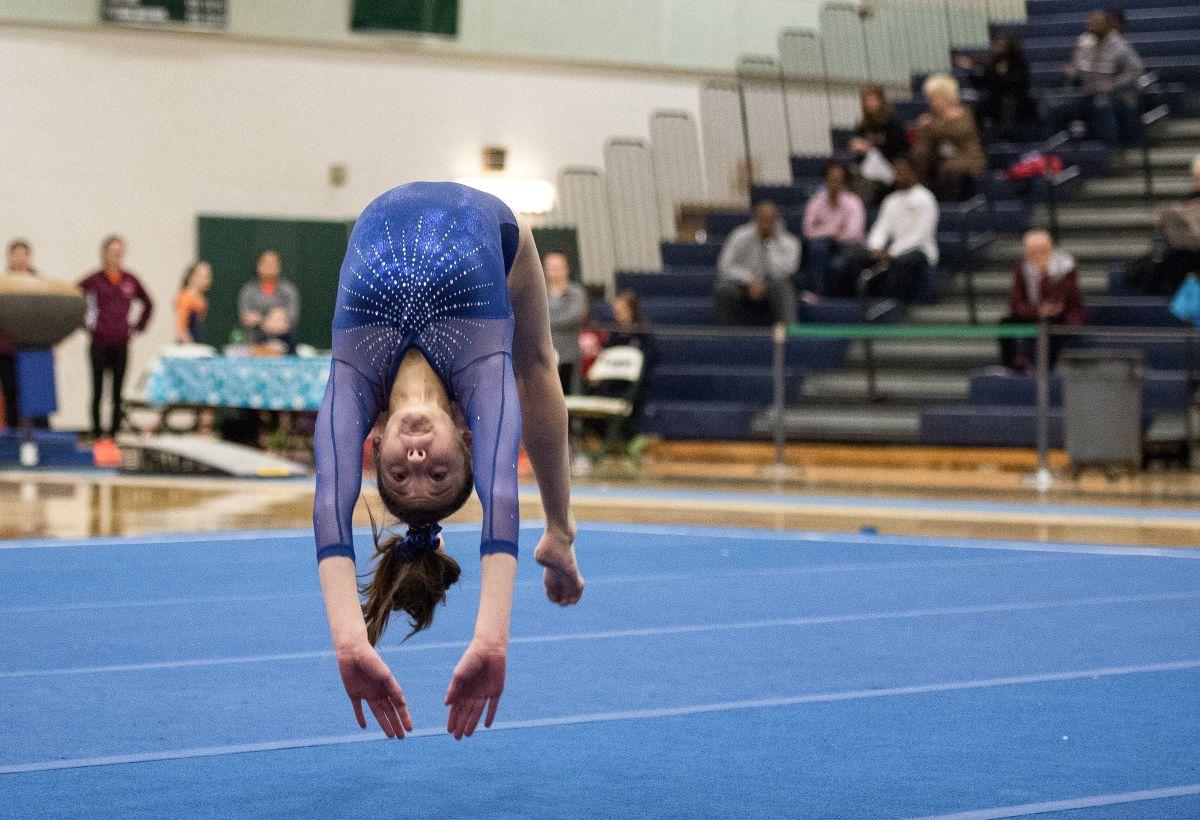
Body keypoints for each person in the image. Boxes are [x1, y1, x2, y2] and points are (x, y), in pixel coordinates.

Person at [313, 182, 585, 742]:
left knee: (533, 364)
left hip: (379, 214)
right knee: (535, 362)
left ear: (376, 436)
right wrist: (491, 640)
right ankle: (560, 529)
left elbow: (329, 507)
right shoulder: (482, 372)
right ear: (467, 436)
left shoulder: (354, 382)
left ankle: (559, 535)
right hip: (503, 239)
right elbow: (501, 497)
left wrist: (348, 641)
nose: (415, 459)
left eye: (398, 472)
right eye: (437, 473)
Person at [78, 235, 153, 440]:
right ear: (104, 254)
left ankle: (113, 433)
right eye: (112, 252)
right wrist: (86, 325)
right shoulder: (94, 280)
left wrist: (137, 327)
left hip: (120, 344)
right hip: (99, 343)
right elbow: (74, 297)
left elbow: (148, 303)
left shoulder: (130, 280)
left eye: (119, 253)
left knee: (117, 393)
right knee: (98, 391)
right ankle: (96, 432)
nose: (116, 256)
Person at [1055, 10, 1145, 149]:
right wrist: (1074, 70)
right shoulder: (1085, 43)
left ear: (1106, 25)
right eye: (1091, 22)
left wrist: (1113, 85)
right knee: (1061, 107)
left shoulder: (1120, 45)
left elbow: (1135, 71)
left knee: (1102, 106)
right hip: (1089, 92)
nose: (1092, 25)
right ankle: (1064, 152)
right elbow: (1079, 67)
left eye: (1097, 23)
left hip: (1116, 96)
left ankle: (1110, 151)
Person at [999, 230, 1085, 371]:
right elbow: (1015, 303)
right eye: (1032, 252)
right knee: (1005, 324)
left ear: (1051, 249)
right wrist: (1037, 311)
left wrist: (1044, 276)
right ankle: (1012, 369)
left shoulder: (1066, 268)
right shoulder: (1022, 269)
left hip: (1062, 317)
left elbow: (1059, 302)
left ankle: (1046, 373)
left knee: (1052, 326)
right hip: (1034, 315)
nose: (1037, 256)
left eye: (1042, 251)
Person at [858, 159, 940, 301]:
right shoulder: (891, 200)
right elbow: (881, 228)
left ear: (913, 174)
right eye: (897, 172)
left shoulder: (926, 198)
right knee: (857, 256)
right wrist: (876, 247)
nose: (899, 176)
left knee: (903, 261)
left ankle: (892, 304)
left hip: (921, 252)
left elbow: (920, 235)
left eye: (903, 172)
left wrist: (892, 252)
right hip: (893, 252)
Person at [715, 201, 801, 326]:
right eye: (762, 220)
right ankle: (728, 336)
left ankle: (791, 332)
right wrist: (749, 281)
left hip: (773, 285)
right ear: (754, 219)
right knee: (724, 289)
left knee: (783, 286)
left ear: (777, 221)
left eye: (770, 220)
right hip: (744, 285)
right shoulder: (739, 236)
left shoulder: (790, 243)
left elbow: (785, 271)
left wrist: (769, 244)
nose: (765, 225)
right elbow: (724, 266)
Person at [912, 74, 987, 202]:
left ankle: (949, 205)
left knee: (949, 169)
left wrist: (931, 125)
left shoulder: (964, 114)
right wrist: (923, 127)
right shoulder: (931, 119)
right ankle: (925, 199)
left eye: (935, 98)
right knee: (920, 155)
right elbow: (926, 140)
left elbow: (955, 133)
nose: (932, 102)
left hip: (966, 158)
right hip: (940, 158)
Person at [802, 162, 867, 301]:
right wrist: (835, 229)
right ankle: (816, 295)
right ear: (825, 180)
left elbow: (853, 233)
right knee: (817, 246)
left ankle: (833, 301)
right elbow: (808, 231)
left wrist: (823, 227)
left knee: (836, 260)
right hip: (822, 246)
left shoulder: (854, 202)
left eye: (839, 180)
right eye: (831, 179)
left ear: (844, 182)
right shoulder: (815, 202)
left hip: (848, 248)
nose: (835, 184)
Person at [956, 31, 1036, 141]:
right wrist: (972, 69)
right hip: (995, 97)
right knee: (979, 104)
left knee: (1007, 103)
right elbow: (982, 81)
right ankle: (978, 136)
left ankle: (1007, 136)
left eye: (1002, 43)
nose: (998, 46)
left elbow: (1019, 83)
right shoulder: (994, 60)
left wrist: (1000, 75)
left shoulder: (1019, 60)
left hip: (1016, 98)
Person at [848, 85, 910, 206]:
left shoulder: (892, 122)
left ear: (881, 100)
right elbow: (858, 149)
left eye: (873, 99)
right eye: (866, 100)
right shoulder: (862, 124)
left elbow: (900, 149)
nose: (870, 103)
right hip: (868, 166)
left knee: (867, 183)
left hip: (890, 166)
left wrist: (870, 148)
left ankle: (858, 209)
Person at [0, 240, 35, 430]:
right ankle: (13, 434)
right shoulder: (3, 286)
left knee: (34, 396)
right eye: (16, 254)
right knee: (11, 395)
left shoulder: (39, 286)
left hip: (33, 351)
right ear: (10, 258)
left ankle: (35, 437)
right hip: (7, 350)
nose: (20, 259)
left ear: (29, 258)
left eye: (24, 254)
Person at [239, 250, 300, 353]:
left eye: (273, 263)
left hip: (285, 343)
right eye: (266, 263)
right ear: (258, 266)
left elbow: (292, 317)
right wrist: (266, 321)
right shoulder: (248, 290)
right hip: (255, 343)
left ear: (279, 267)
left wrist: (276, 322)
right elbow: (246, 317)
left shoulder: (289, 290)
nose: (269, 266)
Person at [544, 252, 586, 394]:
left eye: (557, 267)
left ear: (566, 269)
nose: (554, 272)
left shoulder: (576, 293)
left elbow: (574, 316)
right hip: (545, 357)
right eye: (551, 268)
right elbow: (533, 316)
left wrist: (546, 320)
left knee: (570, 396)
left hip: (569, 356)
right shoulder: (539, 293)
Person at [174, 261, 212, 345]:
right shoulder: (186, 298)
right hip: (186, 345)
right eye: (204, 277)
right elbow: (181, 328)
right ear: (193, 277)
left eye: (208, 277)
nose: (207, 281)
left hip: (197, 340)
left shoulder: (202, 300)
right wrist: (191, 346)